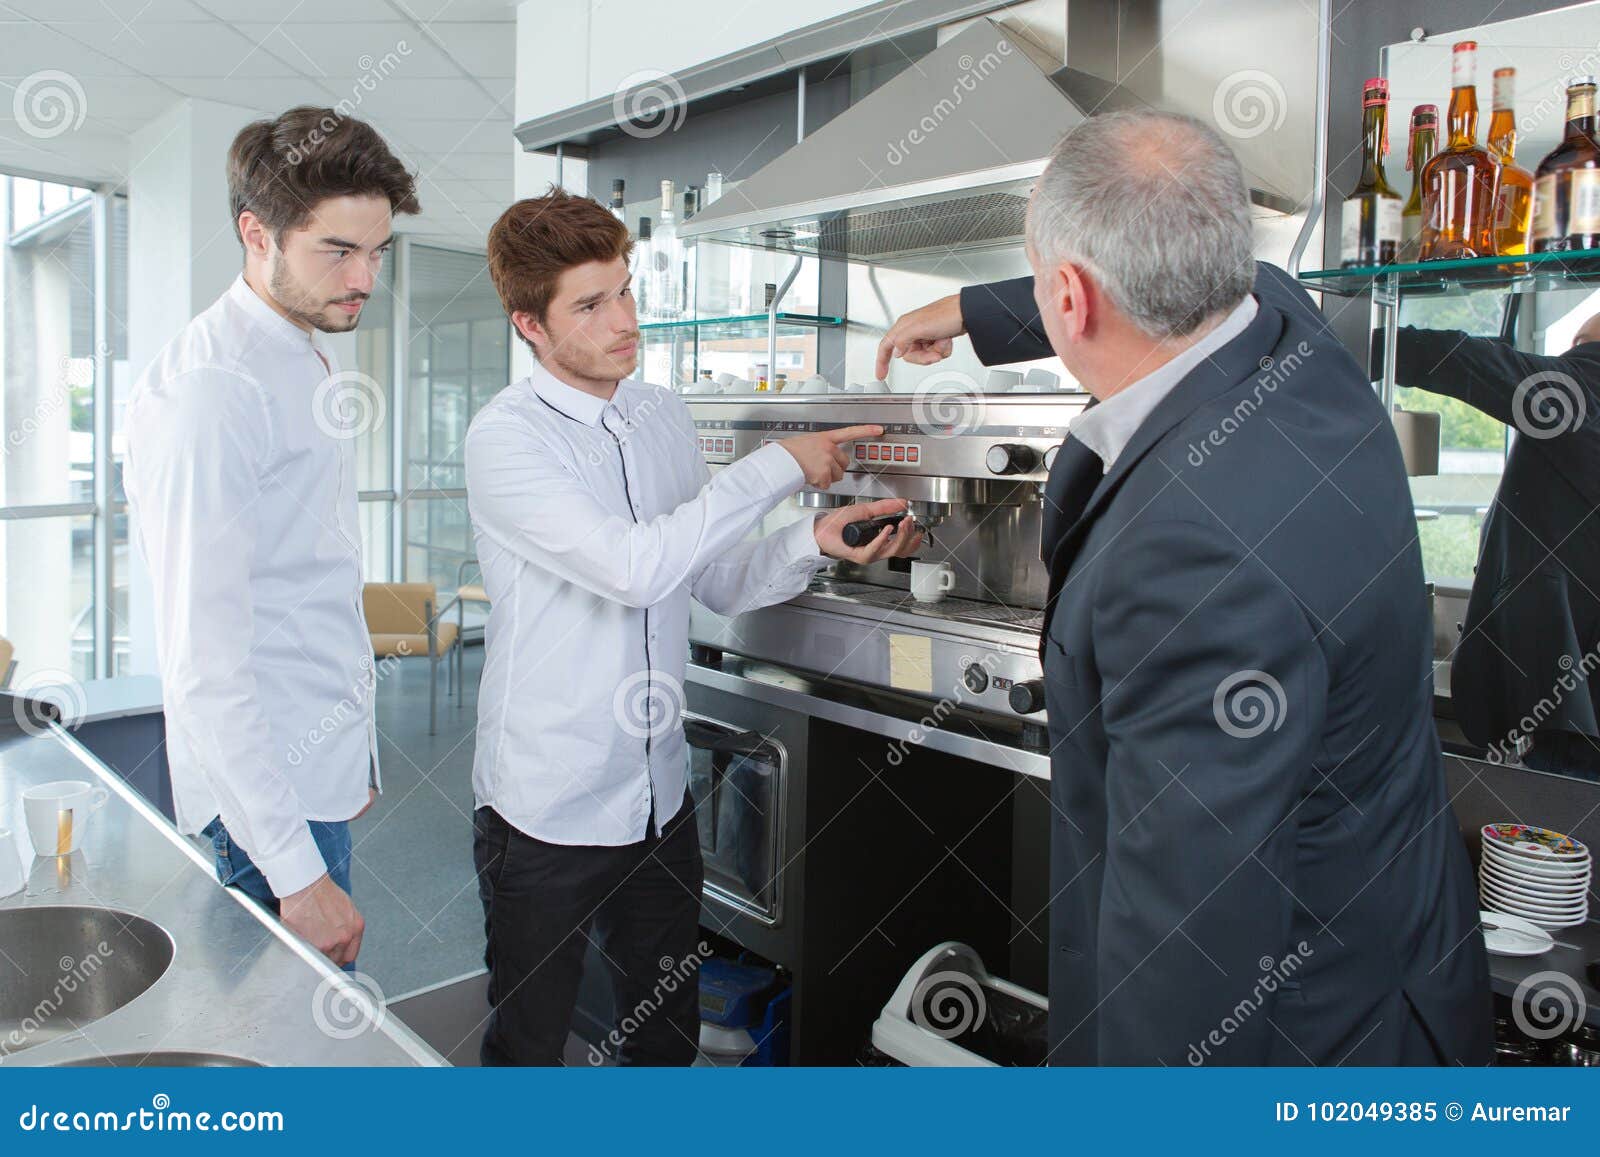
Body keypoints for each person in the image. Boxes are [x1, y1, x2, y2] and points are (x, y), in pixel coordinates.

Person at [878, 110, 1490, 1065]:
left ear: (1070, 297)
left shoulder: (1192, 561)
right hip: (1407, 953)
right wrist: (972, 310)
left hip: (1312, 1038)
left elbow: (1187, 953)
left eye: (1046, 284)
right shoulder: (1291, 331)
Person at [465, 189, 921, 1066]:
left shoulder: (662, 415)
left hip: (658, 799)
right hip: (545, 805)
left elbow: (708, 578)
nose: (623, 321)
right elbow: (634, 567)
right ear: (529, 323)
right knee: (529, 1042)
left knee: (664, 1040)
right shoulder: (507, 441)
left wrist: (810, 538)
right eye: (589, 306)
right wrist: (777, 466)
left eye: (625, 291)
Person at [125, 107, 419, 968]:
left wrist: (346, 758)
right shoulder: (210, 394)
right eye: (338, 250)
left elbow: (305, 576)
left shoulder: (302, 347)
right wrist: (296, 872)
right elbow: (203, 663)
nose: (364, 277)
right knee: (277, 1071)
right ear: (257, 233)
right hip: (265, 816)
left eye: (377, 252)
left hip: (307, 780)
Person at [1381, 314, 1600, 779]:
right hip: (1575, 695)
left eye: (1577, 344)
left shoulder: (1582, 392)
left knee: (1544, 828)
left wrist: (1369, 341)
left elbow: (1469, 363)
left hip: (1563, 704)